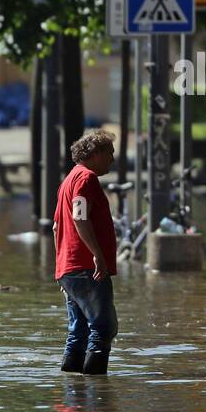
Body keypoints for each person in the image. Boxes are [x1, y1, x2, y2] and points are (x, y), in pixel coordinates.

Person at [53, 129, 119, 375]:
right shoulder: (86, 178)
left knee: (78, 329)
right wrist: (98, 255)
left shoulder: (68, 180)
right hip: (86, 267)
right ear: (95, 153)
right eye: (109, 153)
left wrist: (60, 269)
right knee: (103, 327)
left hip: (69, 268)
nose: (112, 159)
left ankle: (73, 388)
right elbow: (79, 218)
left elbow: (56, 227)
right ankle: (96, 388)